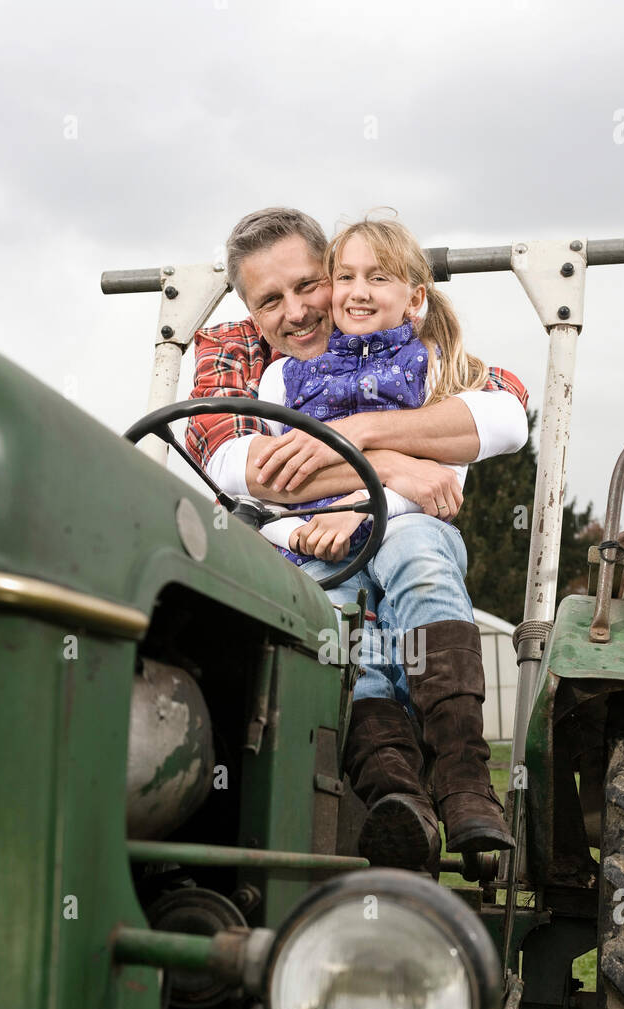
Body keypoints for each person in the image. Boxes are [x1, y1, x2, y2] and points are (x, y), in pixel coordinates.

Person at [187, 208, 530, 871]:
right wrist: (397, 468)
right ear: (250, 314)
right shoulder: (259, 370)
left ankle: (464, 779)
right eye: (270, 300)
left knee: (417, 562)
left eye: (311, 284)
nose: (299, 310)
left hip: (400, 539)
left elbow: (502, 416)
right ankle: (385, 794)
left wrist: (366, 440)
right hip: (307, 548)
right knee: (339, 630)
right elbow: (252, 475)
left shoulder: (423, 354)